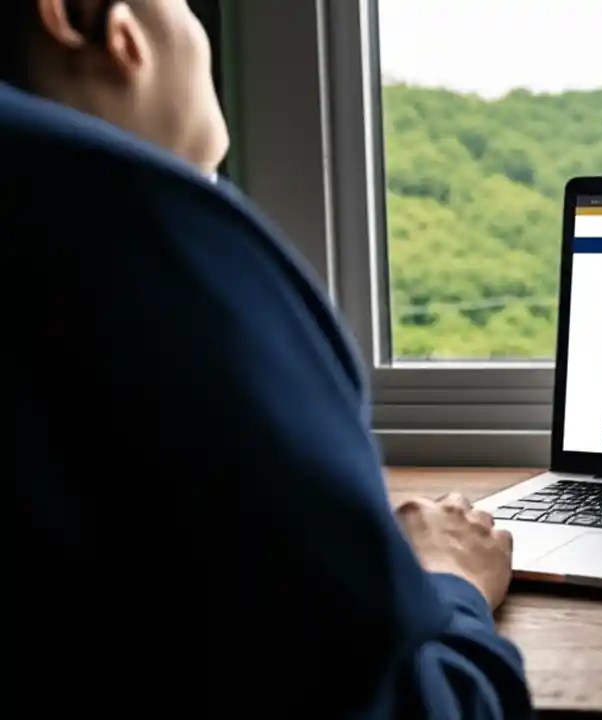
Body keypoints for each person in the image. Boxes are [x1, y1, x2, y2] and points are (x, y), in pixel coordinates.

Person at [4, 1, 532, 717]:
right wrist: (449, 582)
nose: (202, 33)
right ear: (83, 19)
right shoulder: (148, 243)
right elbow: (415, 707)